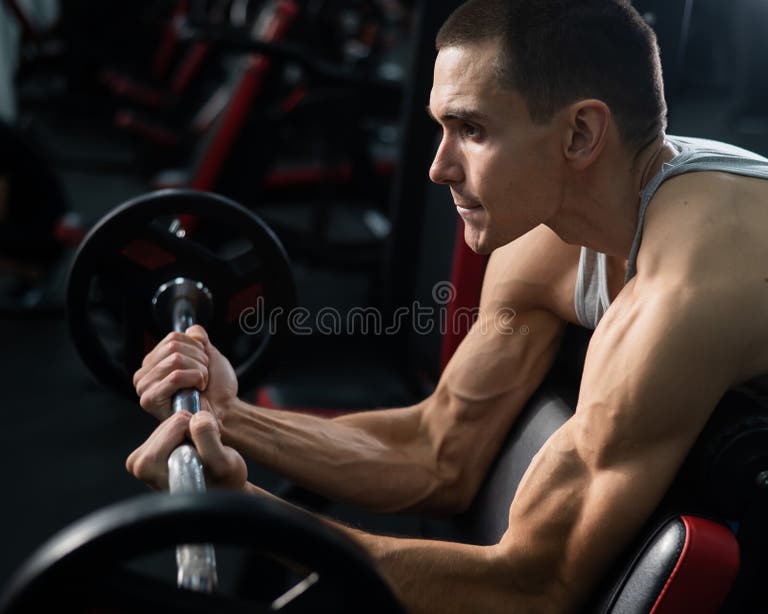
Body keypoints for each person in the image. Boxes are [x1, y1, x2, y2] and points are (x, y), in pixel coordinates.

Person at [126, 0, 768, 612]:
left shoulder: (687, 286)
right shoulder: (548, 240)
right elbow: (439, 452)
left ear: (580, 132)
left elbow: (532, 591)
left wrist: (242, 514)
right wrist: (228, 417)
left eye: (472, 130)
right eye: (442, 128)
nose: (438, 167)